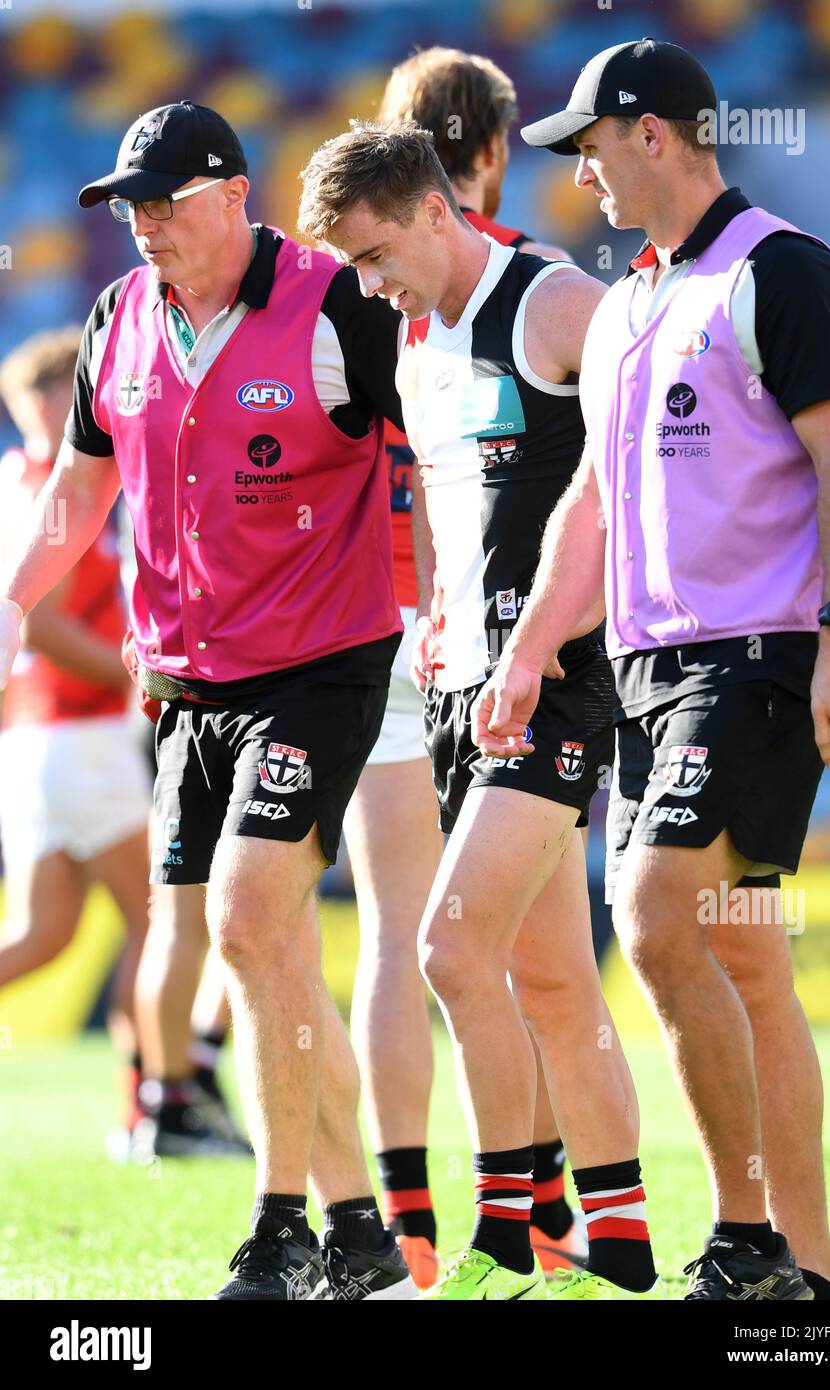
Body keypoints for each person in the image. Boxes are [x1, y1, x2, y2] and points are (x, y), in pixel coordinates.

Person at [474, 37, 830, 1301]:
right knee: (747, 956)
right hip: (650, 676)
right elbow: (589, 504)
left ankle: (746, 1236)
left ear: (653, 133)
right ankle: (809, 1278)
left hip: (754, 662)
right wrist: (536, 644)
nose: (581, 172)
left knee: (649, 919)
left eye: (591, 143)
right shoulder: (628, 303)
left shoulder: (783, 272)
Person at [0, 101, 416, 1301]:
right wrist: (16, 602)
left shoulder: (337, 299)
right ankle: (364, 1238)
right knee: (261, 949)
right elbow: (78, 493)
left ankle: (278, 1229)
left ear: (234, 192)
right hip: (183, 682)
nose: (142, 226)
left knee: (241, 922)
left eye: (164, 201)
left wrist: (452, 609)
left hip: (320, 664)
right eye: (126, 206)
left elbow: (427, 446)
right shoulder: (116, 319)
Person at [298, 121, 655, 1302]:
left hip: (555, 680)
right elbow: (445, 503)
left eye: (376, 251)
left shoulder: (554, 303)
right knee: (553, 981)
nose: (368, 280)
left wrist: (541, 638)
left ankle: (506, 1237)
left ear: (437, 211)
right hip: (461, 688)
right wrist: (446, 630)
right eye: (350, 263)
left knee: (450, 945)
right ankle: (620, 1250)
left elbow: (638, 470)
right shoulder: (411, 344)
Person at [342, 47, 584, 1291]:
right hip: (478, 628)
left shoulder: (356, 287)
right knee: (533, 954)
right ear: (482, 155)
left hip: (376, 622)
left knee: (410, 937)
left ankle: (414, 1226)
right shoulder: (491, 277)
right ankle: (547, 1212)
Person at [0, 328, 150, 1139]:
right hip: (78, 734)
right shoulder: (50, 496)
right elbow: (47, 625)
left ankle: (154, 1107)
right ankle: (153, 1107)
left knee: (43, 935)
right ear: (63, 397)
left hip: (32, 739)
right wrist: (142, 677)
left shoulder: (12, 484)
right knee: (159, 923)